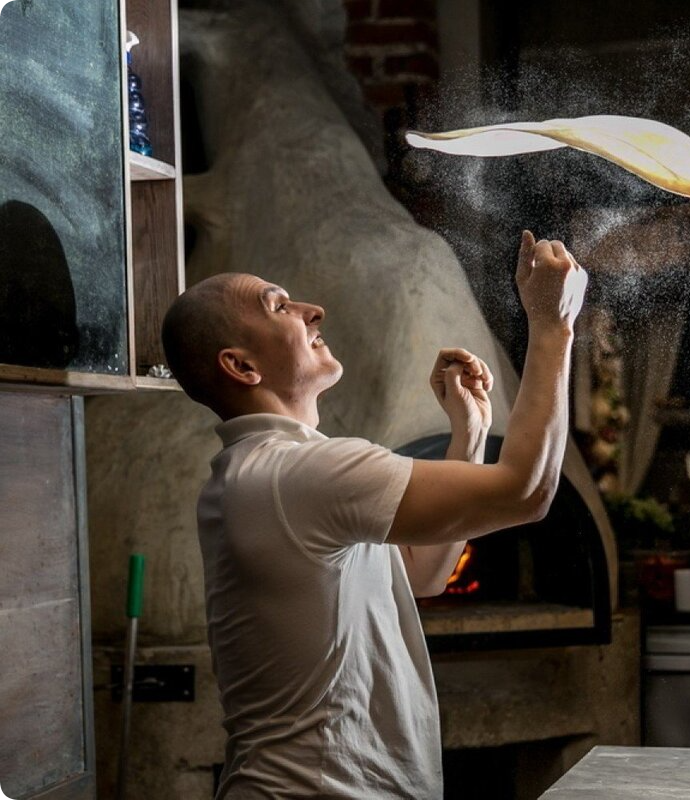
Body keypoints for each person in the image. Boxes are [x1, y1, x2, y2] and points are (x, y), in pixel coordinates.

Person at [160, 230, 587, 798]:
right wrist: (552, 327)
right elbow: (526, 493)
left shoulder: (264, 475)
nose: (313, 311)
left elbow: (422, 575)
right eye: (278, 306)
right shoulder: (297, 475)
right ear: (241, 365)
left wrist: (470, 435)